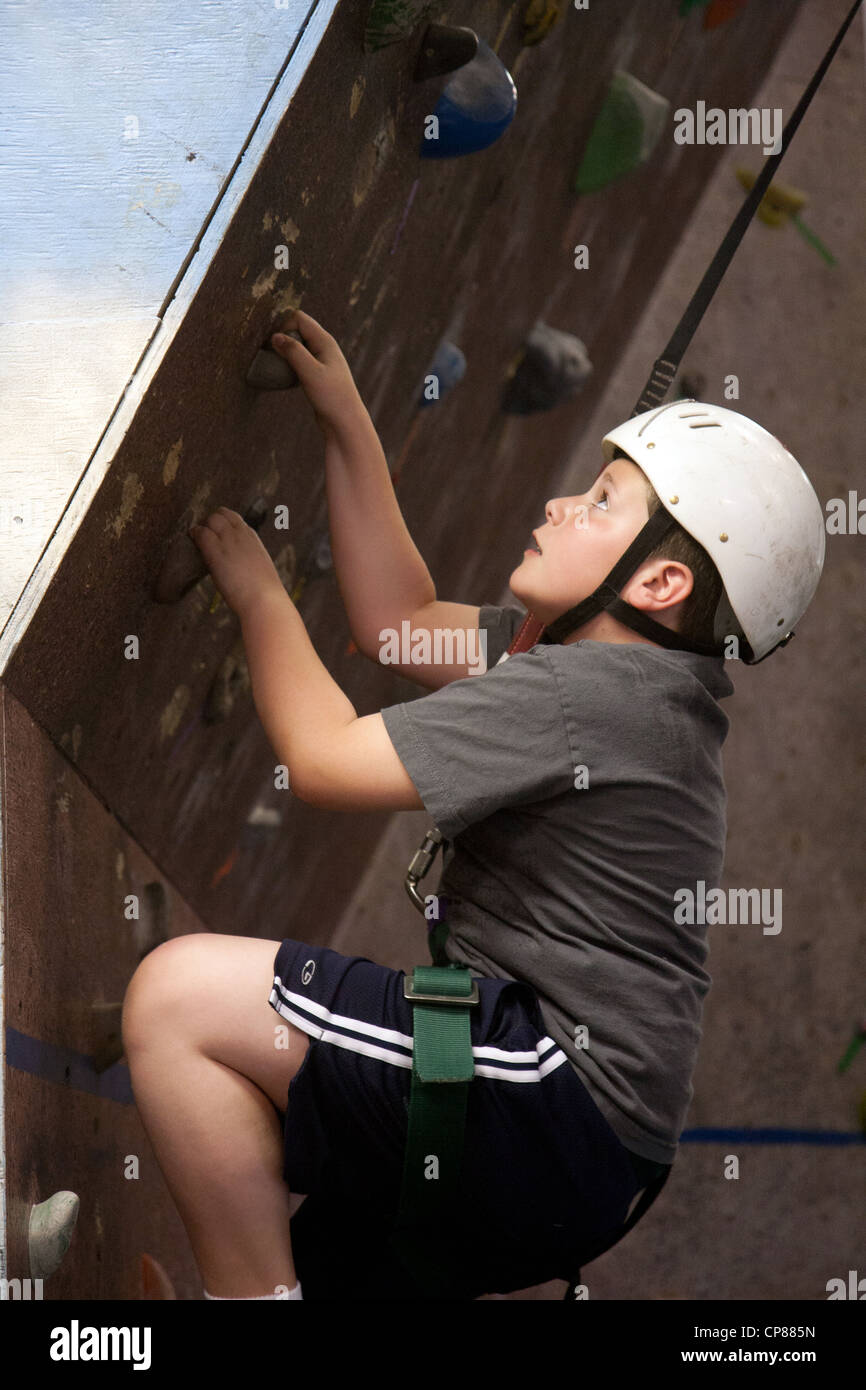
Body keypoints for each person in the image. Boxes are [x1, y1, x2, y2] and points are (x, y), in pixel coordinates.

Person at [120, 310, 825, 1301]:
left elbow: (321, 758)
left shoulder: (586, 697)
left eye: (599, 502)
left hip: (543, 1098)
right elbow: (400, 626)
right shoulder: (595, 671)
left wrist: (258, 591)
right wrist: (346, 421)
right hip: (580, 1157)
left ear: (658, 580)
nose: (555, 503)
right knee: (325, 1254)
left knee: (180, 1000)